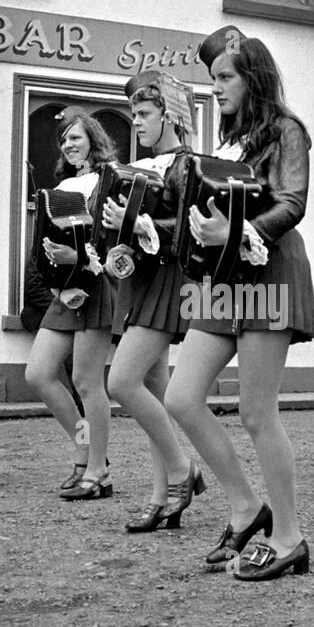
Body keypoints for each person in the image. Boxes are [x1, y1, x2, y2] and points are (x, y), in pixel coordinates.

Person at [164, 26, 314, 581]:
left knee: (256, 412)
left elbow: (293, 203)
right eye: (213, 79)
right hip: (223, 276)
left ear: (254, 77)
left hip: (270, 268)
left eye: (225, 77)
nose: (217, 88)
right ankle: (246, 505)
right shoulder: (228, 140)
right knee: (182, 397)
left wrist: (238, 232)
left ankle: (289, 536)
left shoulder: (286, 129)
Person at [101, 70, 207, 532]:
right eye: (134, 115)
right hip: (141, 281)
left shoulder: (184, 164)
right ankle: (162, 497)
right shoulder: (148, 165)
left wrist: (138, 223)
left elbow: (185, 227)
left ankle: (184, 471)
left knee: (121, 383)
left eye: (144, 114)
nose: (137, 123)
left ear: (169, 115)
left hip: (167, 281)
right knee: (156, 394)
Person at [24, 109, 118, 500]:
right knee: (39, 373)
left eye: (76, 137)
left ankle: (98, 471)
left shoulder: (109, 181)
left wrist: (79, 257)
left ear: (92, 139)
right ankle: (83, 448)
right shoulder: (65, 185)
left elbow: (111, 237)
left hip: (97, 286)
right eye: (64, 140)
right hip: (65, 291)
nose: (69, 145)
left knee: (86, 381)